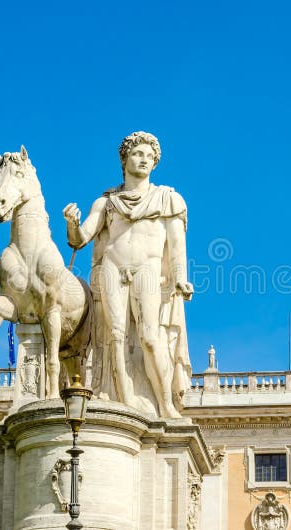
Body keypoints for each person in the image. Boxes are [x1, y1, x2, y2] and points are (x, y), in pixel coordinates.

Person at [63, 131, 193, 418]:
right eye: (138, 154)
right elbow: (80, 239)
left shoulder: (168, 198)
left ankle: (165, 404)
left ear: (156, 163)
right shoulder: (107, 201)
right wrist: (71, 223)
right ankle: (122, 400)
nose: (144, 159)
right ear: (125, 159)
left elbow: (176, 245)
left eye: (150, 156)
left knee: (149, 336)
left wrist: (180, 277)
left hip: (148, 268)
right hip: (111, 266)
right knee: (113, 337)